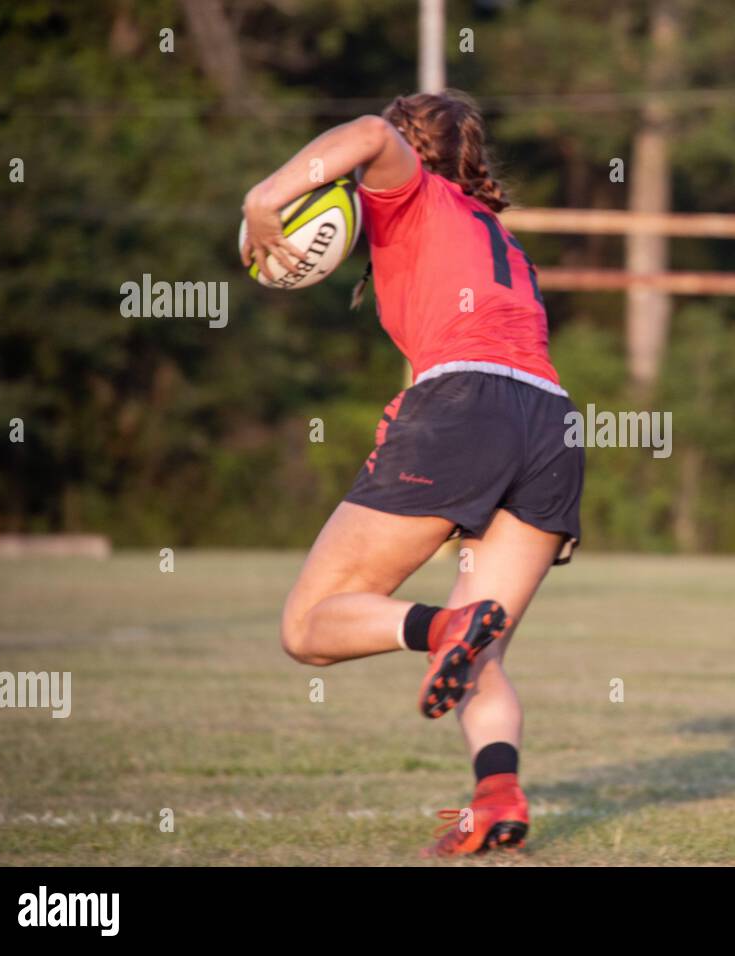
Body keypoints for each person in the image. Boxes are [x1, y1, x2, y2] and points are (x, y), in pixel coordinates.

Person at [241, 89, 584, 853]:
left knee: (307, 627)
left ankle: (439, 626)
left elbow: (363, 132)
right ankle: (497, 795)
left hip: (465, 405)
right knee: (483, 651)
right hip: (552, 422)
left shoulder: (407, 189)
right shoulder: (493, 229)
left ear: (409, 148)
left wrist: (266, 199)